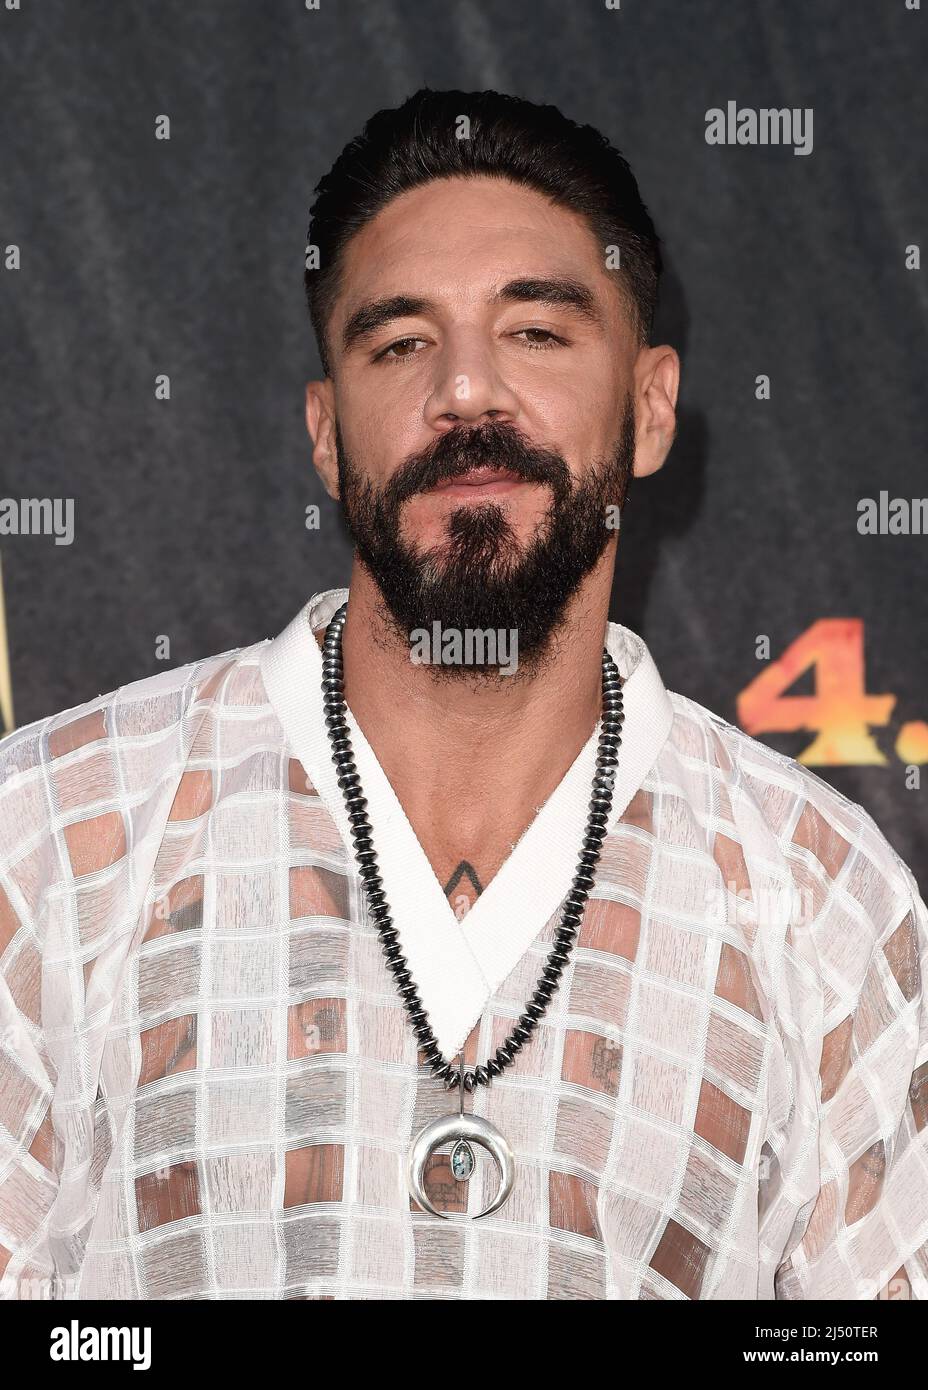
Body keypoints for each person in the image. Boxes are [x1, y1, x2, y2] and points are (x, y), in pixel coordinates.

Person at [1, 87, 925, 1302]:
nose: (467, 393)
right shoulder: (53, 843)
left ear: (650, 407)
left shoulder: (821, 898)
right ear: (326, 437)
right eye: (399, 344)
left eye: (537, 333)